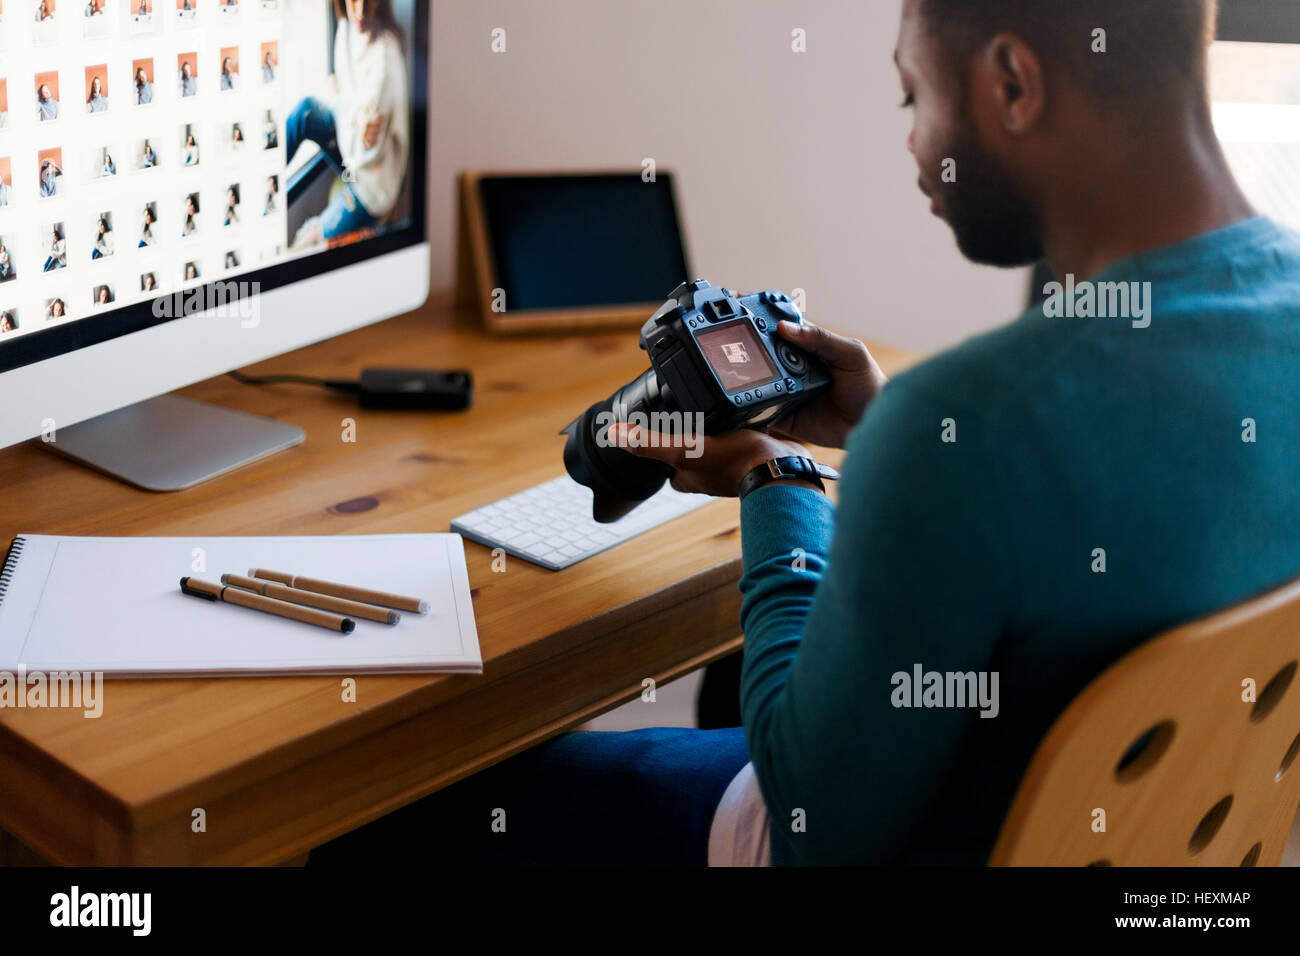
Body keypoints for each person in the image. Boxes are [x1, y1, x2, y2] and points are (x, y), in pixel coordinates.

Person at [312, 0, 1300, 869]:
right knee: (727, 682)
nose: (914, 143)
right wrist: (887, 430)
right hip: (1137, 842)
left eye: (914, 97)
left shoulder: (982, 419)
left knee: (383, 807)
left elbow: (811, 820)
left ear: (1010, 81)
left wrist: (772, 472)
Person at [285, 0, 409, 241]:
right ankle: (263, 181)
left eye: (368, 2)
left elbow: (365, 153)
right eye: (353, 0)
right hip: (351, 142)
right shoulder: (347, 28)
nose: (359, 11)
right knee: (305, 111)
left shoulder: (384, 63)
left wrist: (339, 103)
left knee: (308, 242)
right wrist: (351, 114)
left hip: (371, 183)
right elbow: (345, 103)